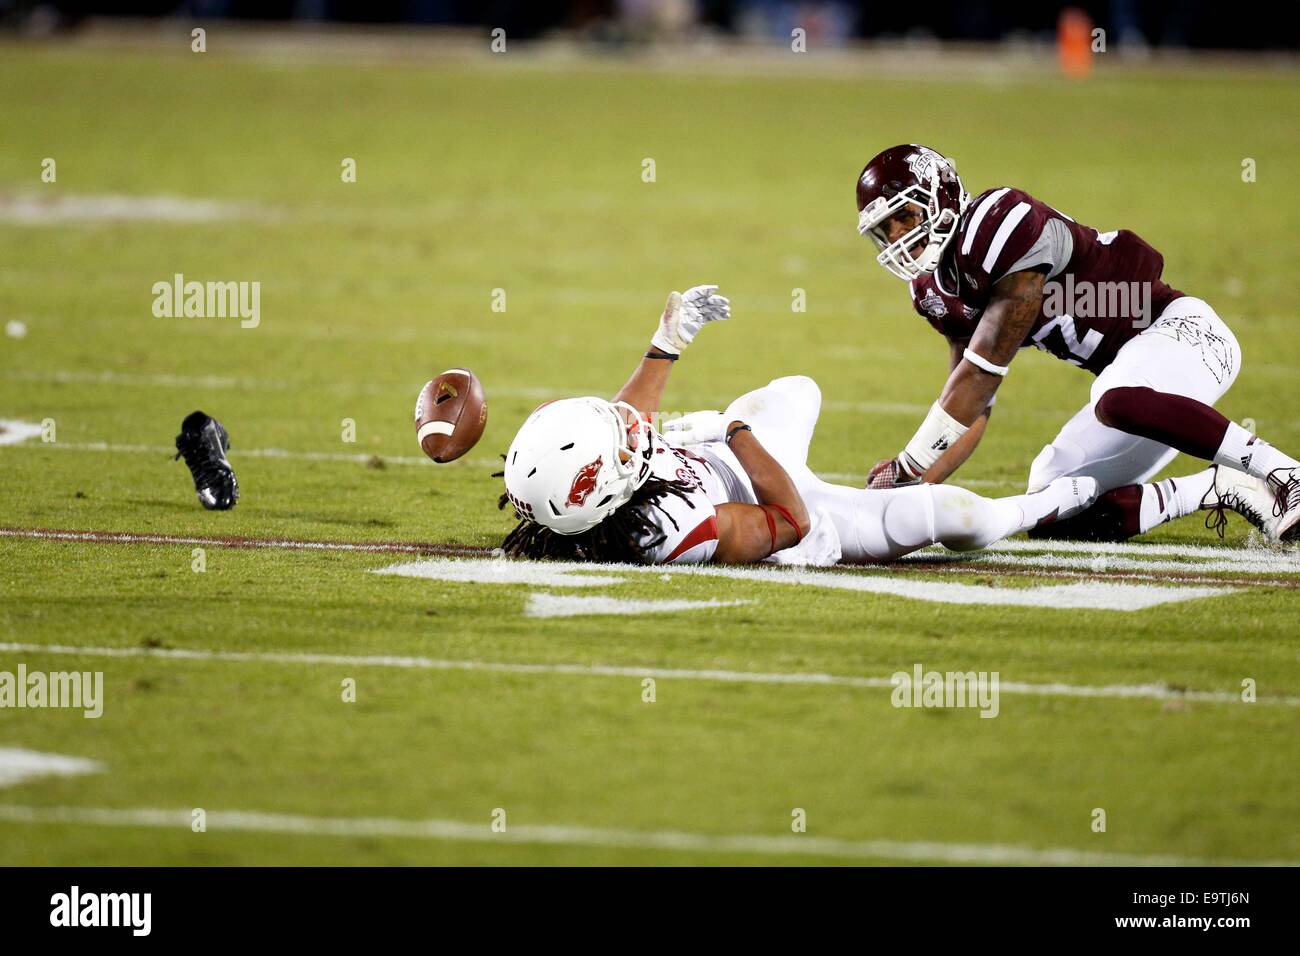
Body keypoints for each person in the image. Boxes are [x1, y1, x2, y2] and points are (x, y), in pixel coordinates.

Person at [853, 144, 1299, 544]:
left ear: (941, 197)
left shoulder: (998, 222)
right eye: (885, 229)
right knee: (1052, 505)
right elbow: (968, 406)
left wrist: (907, 466)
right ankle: (1218, 488)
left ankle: (1285, 473)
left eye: (904, 217)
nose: (897, 237)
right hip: (1135, 384)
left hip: (1185, 335)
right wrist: (911, 489)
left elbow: (982, 373)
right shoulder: (938, 291)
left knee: (1113, 398)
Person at [498, 285, 1097, 565]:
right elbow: (789, 518)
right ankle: (1045, 504)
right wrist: (733, 431)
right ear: (608, 494)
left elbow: (623, 425)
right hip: (787, 501)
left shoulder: (573, 499)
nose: (631, 425)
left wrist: (667, 342)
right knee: (943, 516)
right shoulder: (673, 530)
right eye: (621, 443)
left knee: (797, 390)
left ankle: (726, 430)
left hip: (709, 464)